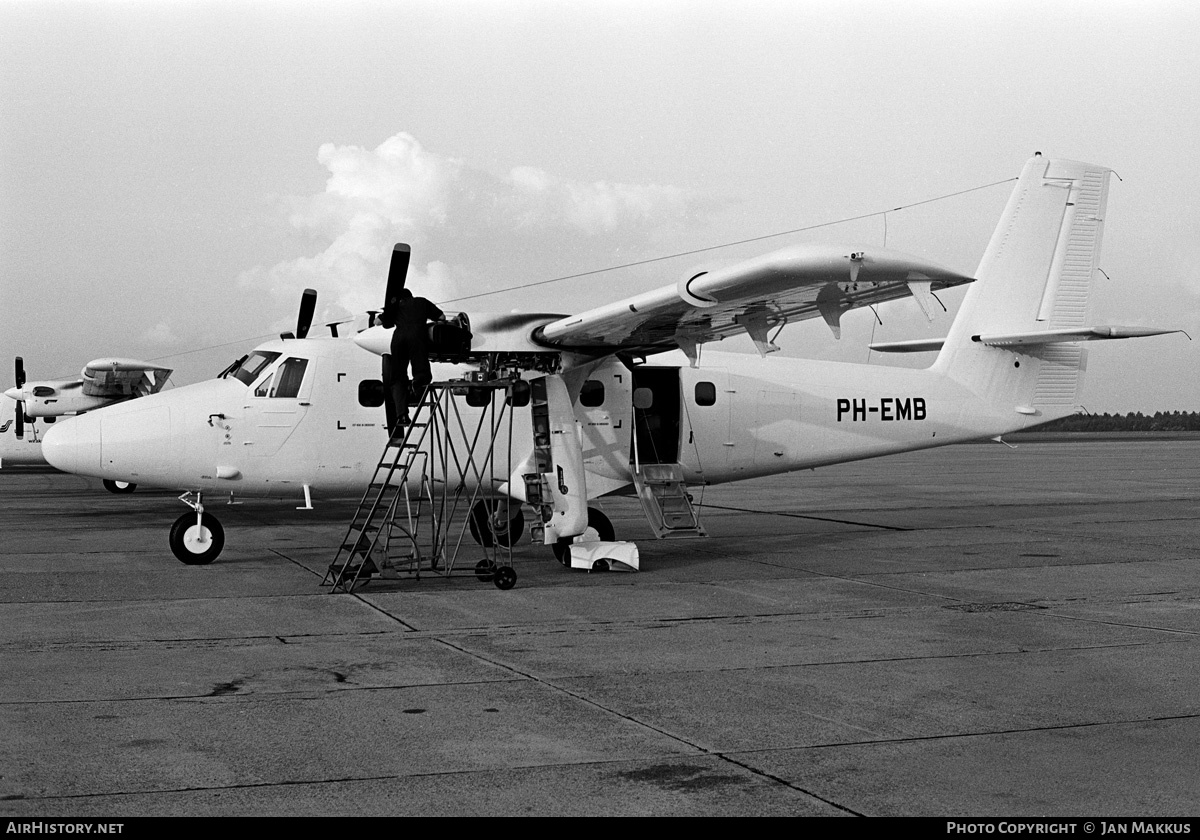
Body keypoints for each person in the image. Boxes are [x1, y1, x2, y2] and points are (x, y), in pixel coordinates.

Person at [381, 287, 445, 430]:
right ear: (411, 296)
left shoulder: (395, 305)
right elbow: (442, 317)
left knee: (397, 376)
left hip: (398, 340)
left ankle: (402, 415)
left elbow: (378, 323)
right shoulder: (421, 302)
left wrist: (389, 311)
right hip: (418, 337)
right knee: (421, 369)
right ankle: (417, 384)